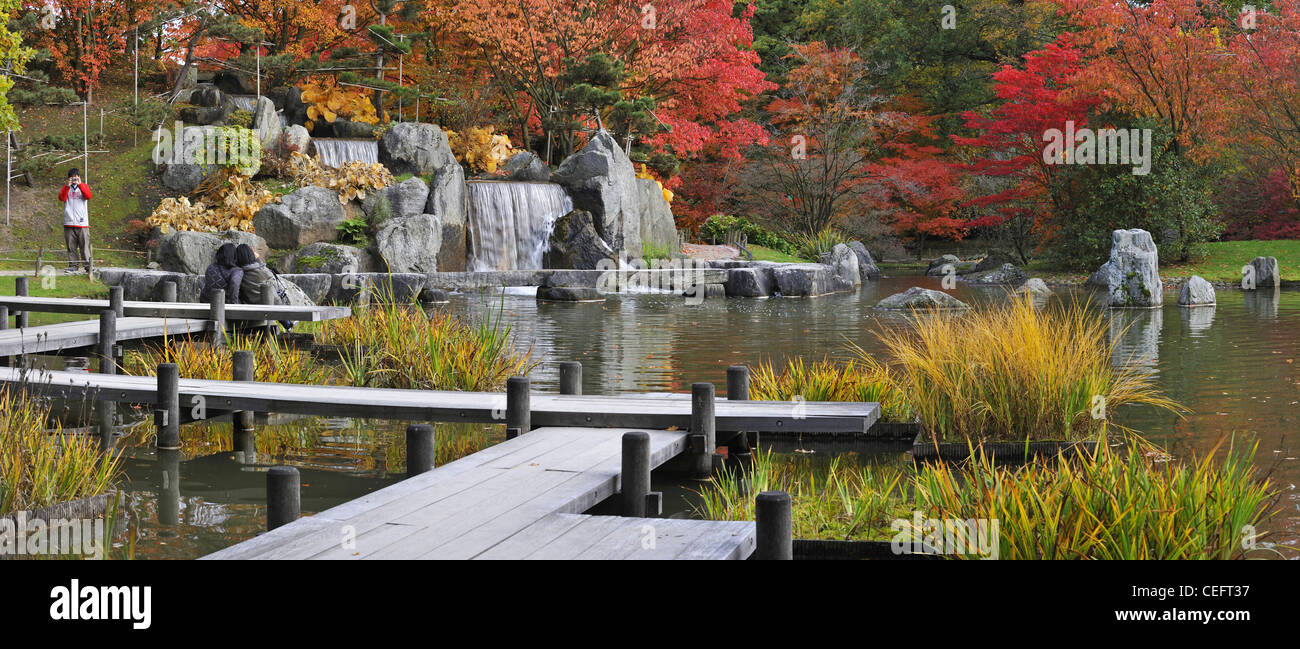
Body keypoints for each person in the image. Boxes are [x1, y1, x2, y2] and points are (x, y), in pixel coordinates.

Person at [235, 243, 294, 331]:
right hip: (269, 306)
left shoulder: (238, 272)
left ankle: (287, 324)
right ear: (251, 255)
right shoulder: (260, 271)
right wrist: (258, 258)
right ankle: (288, 325)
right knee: (275, 299)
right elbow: (269, 274)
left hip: (250, 305)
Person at [58, 168, 93, 274]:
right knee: (71, 247)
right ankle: (73, 265)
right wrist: (66, 186)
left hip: (82, 223)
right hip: (69, 222)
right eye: (71, 178)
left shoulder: (83, 186)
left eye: (75, 177)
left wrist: (80, 184)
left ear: (78, 177)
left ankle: (88, 266)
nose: (73, 180)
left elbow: (88, 196)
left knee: (84, 246)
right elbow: (62, 198)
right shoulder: (66, 188)